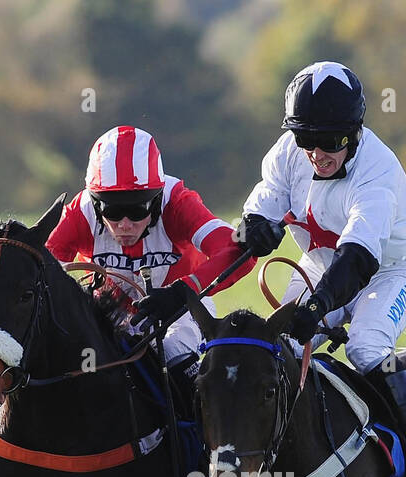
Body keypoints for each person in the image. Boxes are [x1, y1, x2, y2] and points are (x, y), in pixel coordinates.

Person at [239, 61, 406, 477]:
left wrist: (316, 311)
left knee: (366, 347)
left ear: (355, 132)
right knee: (277, 344)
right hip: (320, 267)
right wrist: (253, 225)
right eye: (306, 140)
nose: (317, 153)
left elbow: (356, 260)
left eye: (330, 141)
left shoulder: (376, 173)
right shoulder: (287, 153)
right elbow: (266, 197)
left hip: (386, 272)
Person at [46, 125, 254, 397]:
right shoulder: (79, 213)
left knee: (172, 356)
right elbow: (37, 271)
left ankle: (194, 435)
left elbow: (239, 252)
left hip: (179, 310)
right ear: (96, 204)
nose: (124, 225)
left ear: (156, 201)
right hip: (110, 312)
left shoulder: (178, 202)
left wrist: (183, 292)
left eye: (136, 209)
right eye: (112, 210)